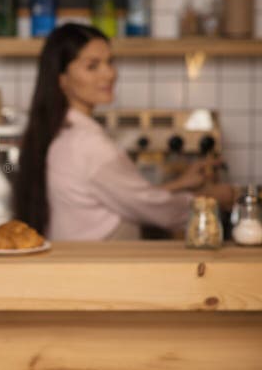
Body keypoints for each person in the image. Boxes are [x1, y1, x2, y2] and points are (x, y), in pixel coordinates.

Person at [14, 23, 233, 240]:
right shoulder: (88, 143)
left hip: (78, 265)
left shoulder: (60, 132)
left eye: (110, 62)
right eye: (93, 66)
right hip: (99, 268)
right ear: (62, 79)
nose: (109, 73)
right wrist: (212, 199)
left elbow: (121, 196)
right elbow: (153, 208)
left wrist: (181, 183)